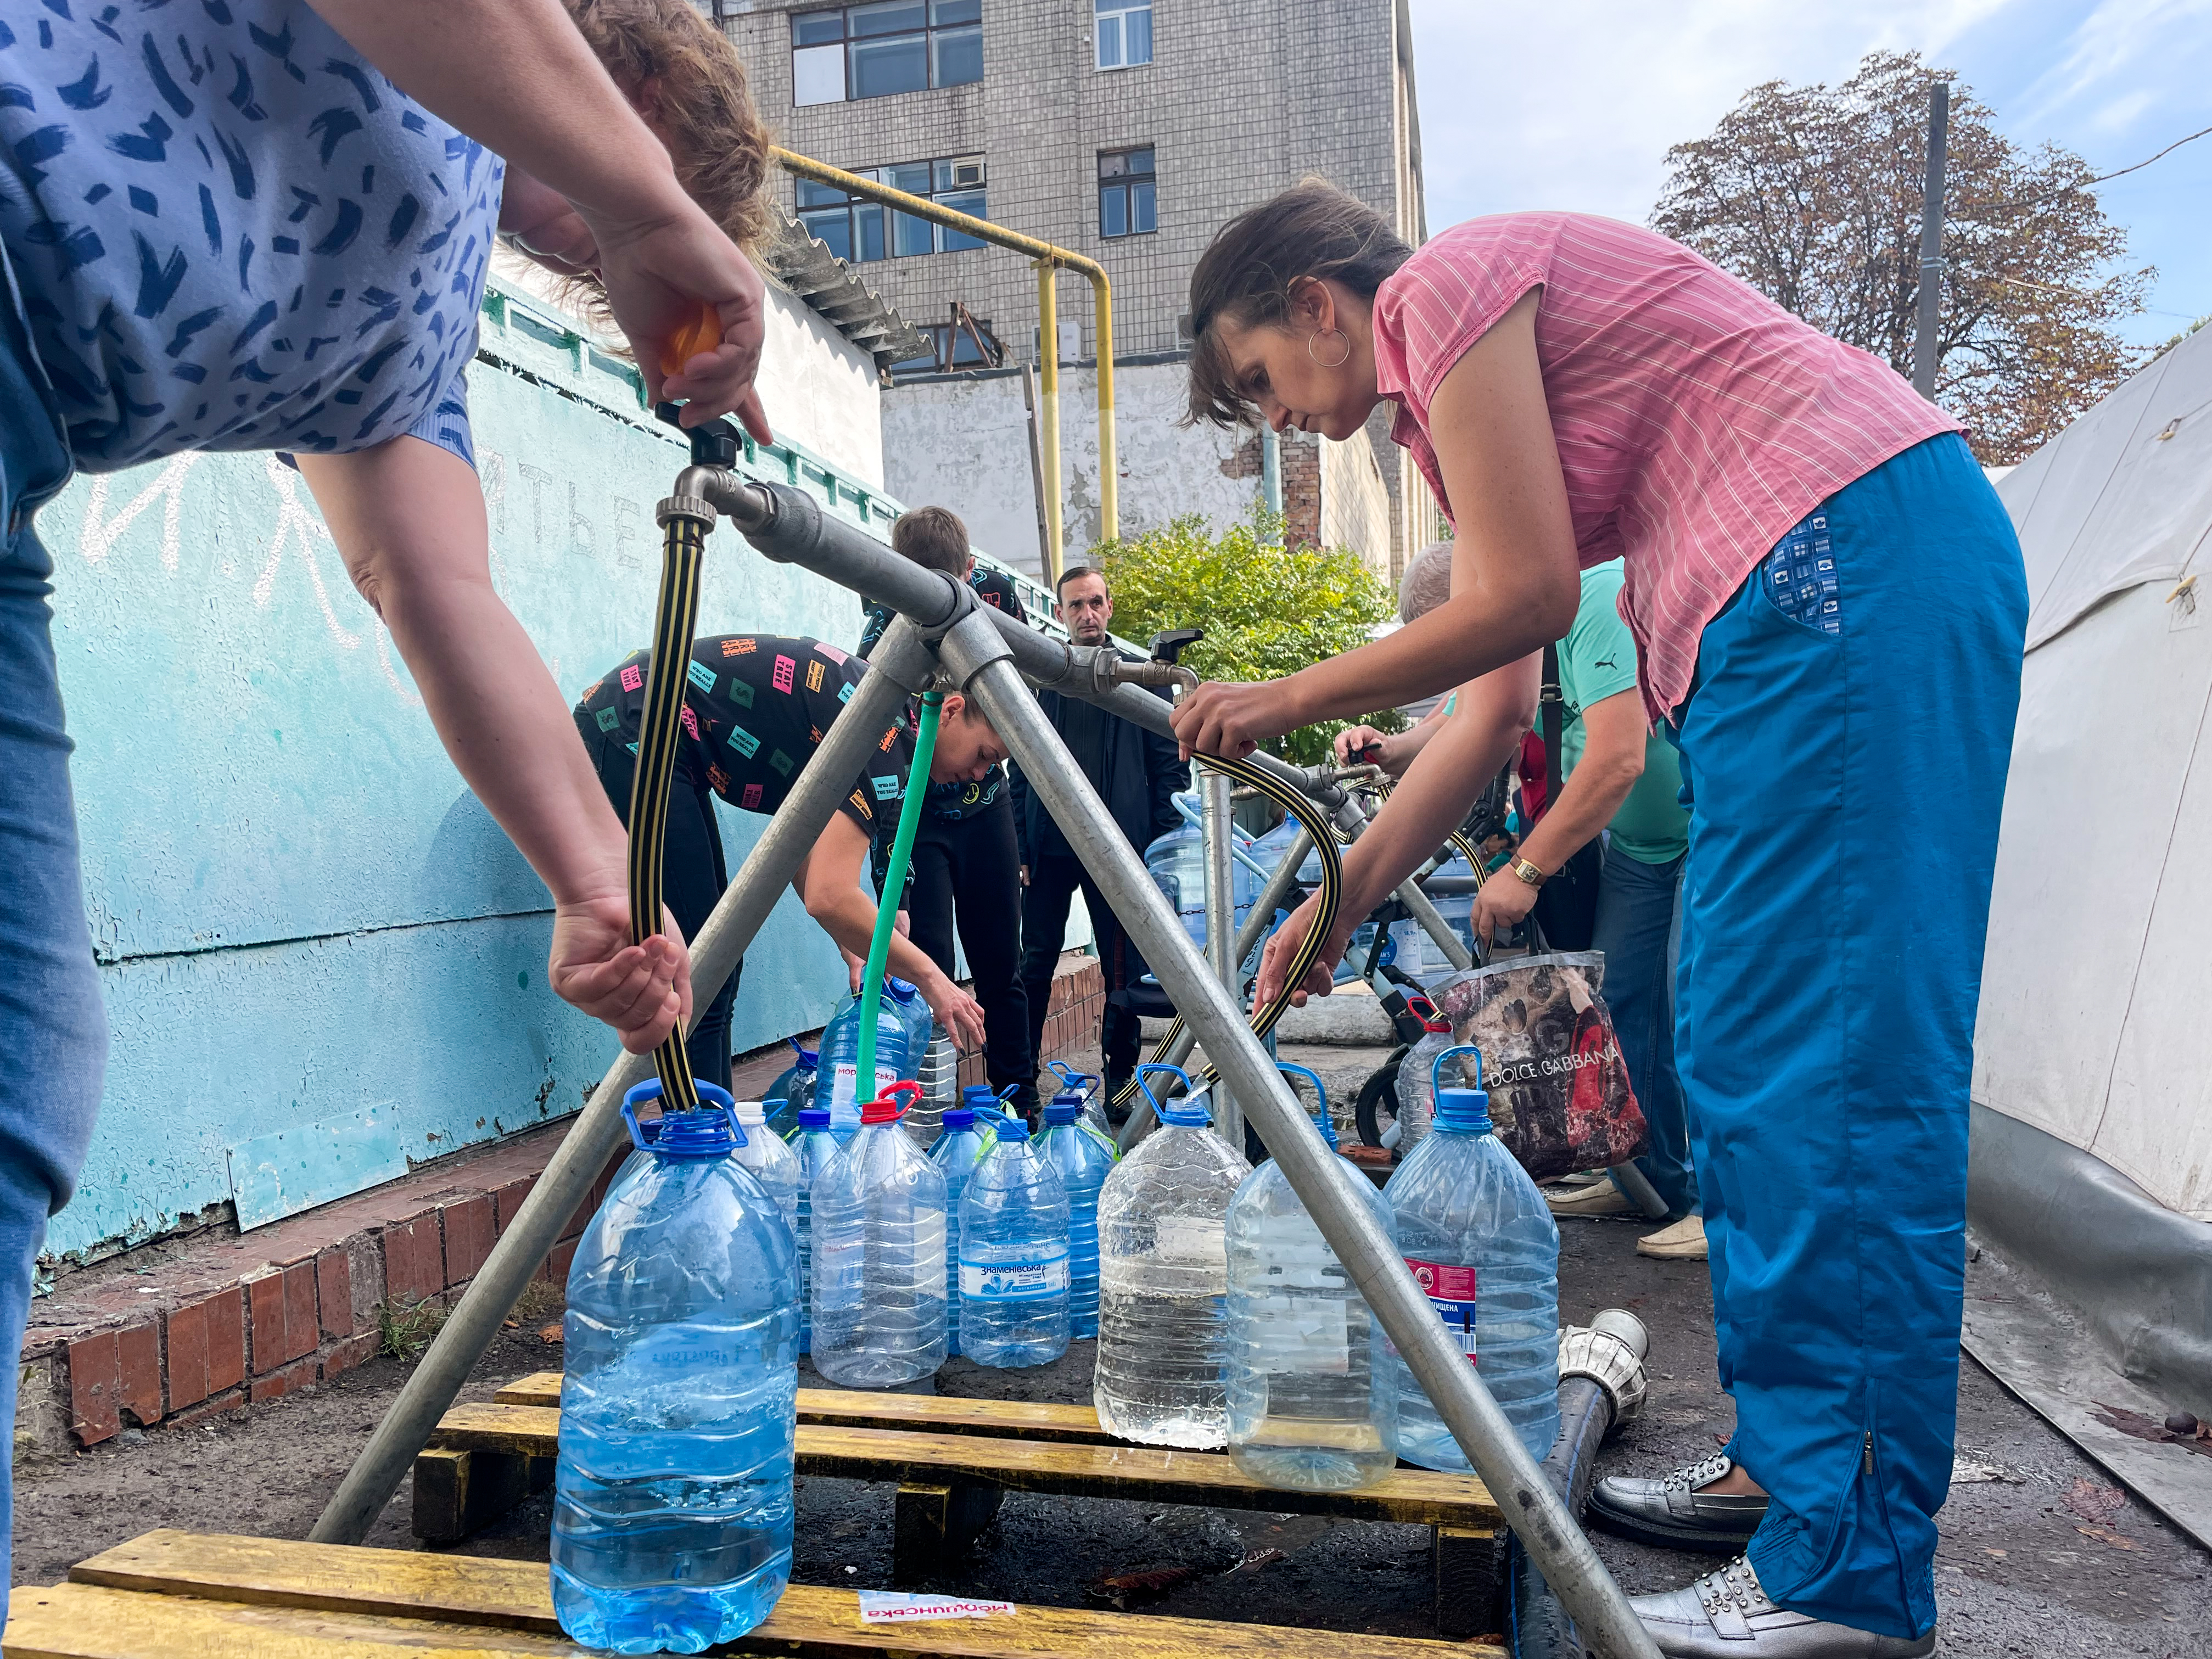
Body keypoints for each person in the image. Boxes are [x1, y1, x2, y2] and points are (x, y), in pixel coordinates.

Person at [0, 0, 778, 1607]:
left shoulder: (417, 328)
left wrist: (590, 883)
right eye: (648, 151)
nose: (594, 238)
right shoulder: (452, 57)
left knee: (19, 1053)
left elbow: (429, 582)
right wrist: (650, 201)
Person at [1175, 185, 2025, 1657]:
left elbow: (1527, 597)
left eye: (1257, 376)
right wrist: (1340, 892)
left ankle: (1846, 1573)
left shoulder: (1442, 288)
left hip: (1839, 567)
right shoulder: (1452, 419)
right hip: (1804, 596)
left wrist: (1290, 693)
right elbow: (1491, 701)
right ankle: (1800, 1470)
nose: (1283, 419)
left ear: (1317, 299)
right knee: (1747, 1054)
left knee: (1826, 1068)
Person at [1342, 543, 1701, 1258]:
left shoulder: (1597, 599)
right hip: (1638, 844)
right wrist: (1388, 748)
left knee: (1699, 1012)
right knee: (1618, 1007)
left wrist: (1527, 869)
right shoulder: (1508, 650)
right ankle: (1652, 1179)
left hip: (1707, 829)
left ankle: (1724, 1207)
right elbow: (1453, 724)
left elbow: (1619, 757)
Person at [575, 632, 995, 1092]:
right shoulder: (884, 742)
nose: (978, 775)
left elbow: (801, 852)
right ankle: (699, 1143)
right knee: (704, 963)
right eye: (984, 756)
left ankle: (710, 1131)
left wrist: (853, 944)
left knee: (714, 959)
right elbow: (829, 897)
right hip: (637, 720)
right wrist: (933, 979)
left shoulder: (888, 727)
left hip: (664, 730)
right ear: (952, 711)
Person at [856, 508, 1037, 1111]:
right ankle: (924, 1113)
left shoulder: (997, 596)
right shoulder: (883, 615)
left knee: (1000, 964)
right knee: (923, 964)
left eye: (947, 586)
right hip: (918, 809)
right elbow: (876, 750)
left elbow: (1025, 690)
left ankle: (1019, 1105)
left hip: (986, 801)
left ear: (969, 570)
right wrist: (892, 894)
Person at [1011, 564, 1189, 1116]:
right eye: (1075, 606)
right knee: (1035, 962)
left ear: (1109, 607)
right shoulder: (1042, 679)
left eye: (1095, 603)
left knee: (1121, 969)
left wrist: (1156, 849)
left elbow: (1169, 771)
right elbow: (1018, 767)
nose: (1086, 614)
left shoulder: (1137, 675)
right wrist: (1020, 843)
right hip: (1049, 847)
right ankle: (1019, 1083)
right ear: (1061, 614)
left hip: (1119, 851)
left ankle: (1121, 1082)